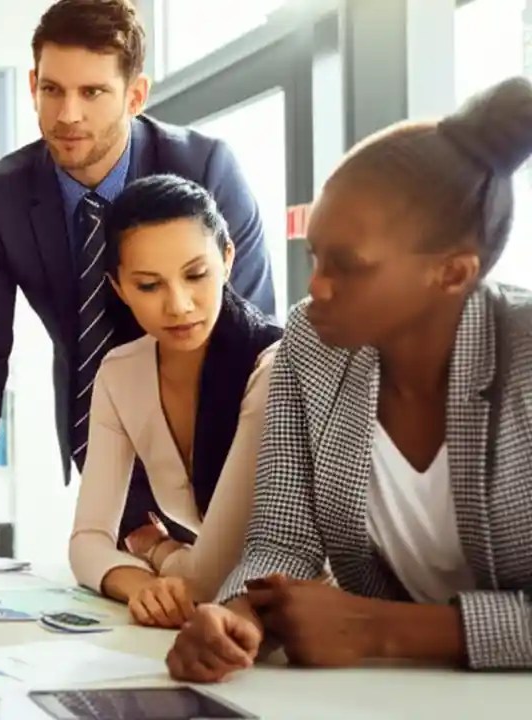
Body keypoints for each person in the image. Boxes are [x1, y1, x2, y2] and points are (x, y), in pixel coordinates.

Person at [167, 76, 532, 681]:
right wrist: (237, 619)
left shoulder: (524, 352)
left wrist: (380, 630)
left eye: (348, 266)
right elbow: (281, 539)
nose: (316, 289)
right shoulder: (311, 343)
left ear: (452, 274)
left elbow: (368, 625)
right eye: (316, 256)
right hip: (387, 697)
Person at [0, 0, 277, 569]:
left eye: (92, 92)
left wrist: (203, 506)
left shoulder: (206, 171)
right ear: (32, 85)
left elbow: (248, 336)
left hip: (210, 430)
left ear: (135, 96)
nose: (67, 114)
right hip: (99, 424)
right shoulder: (1, 197)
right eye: (52, 90)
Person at [70, 174, 280, 628]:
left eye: (196, 275)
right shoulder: (121, 373)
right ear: (119, 286)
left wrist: (156, 550)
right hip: (221, 622)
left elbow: (211, 577)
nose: (179, 305)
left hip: (301, 616)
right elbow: (87, 540)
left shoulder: (272, 365)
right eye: (149, 285)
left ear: (227, 259)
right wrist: (140, 586)